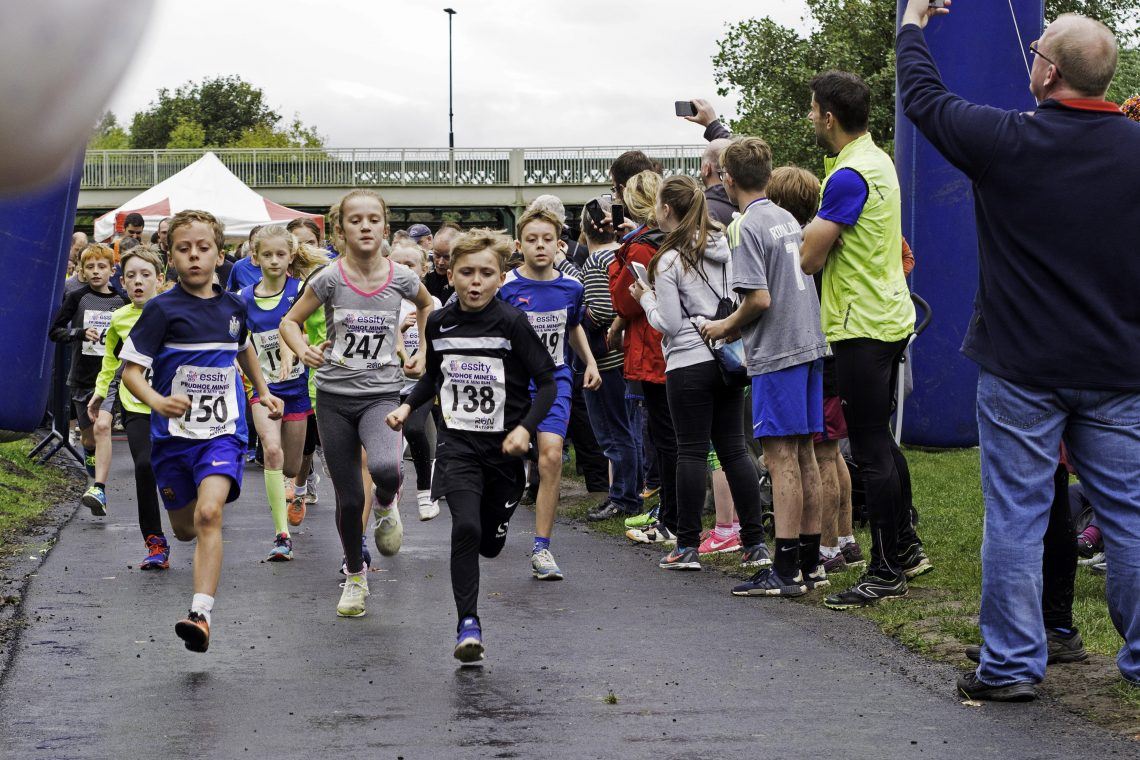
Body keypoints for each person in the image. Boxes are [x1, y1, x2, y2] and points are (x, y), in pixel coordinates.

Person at [898, 1, 1140, 700]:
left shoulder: (1005, 140)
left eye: (1037, 50)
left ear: (1046, 73)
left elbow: (923, 97)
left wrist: (913, 26)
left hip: (1022, 371)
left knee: (1016, 516)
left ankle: (1008, 668)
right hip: (1119, 371)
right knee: (1128, 516)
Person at [386, 228, 556, 665]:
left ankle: (497, 529)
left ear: (501, 277)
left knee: (490, 543)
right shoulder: (441, 322)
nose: (475, 282)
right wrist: (408, 407)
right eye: (466, 272)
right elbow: (434, 376)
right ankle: (468, 624)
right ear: (451, 274)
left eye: (485, 273)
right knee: (464, 529)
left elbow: (547, 383)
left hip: (505, 450)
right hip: (458, 444)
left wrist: (525, 429)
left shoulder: (512, 323)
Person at [120, 209, 283, 653]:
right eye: (184, 249)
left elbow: (245, 349)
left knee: (210, 514)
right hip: (172, 438)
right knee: (187, 528)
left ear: (219, 253)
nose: (194, 256)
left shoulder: (234, 307)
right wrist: (156, 400)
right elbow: (131, 372)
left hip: (222, 431)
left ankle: (200, 613)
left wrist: (262, 392)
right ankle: (187, 537)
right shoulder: (160, 309)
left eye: (203, 248)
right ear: (171, 256)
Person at [797, 70, 927, 610]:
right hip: (886, 317)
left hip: (862, 325)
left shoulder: (849, 176)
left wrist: (810, 236)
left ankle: (886, 569)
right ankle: (905, 549)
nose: (808, 117)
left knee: (871, 450)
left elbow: (809, 257)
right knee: (881, 444)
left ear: (829, 115)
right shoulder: (877, 160)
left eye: (811, 109)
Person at [280, 189, 434, 618]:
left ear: (385, 228)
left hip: (381, 393)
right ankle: (354, 575)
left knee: (386, 468)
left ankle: (387, 502)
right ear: (340, 230)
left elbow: (427, 305)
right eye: (355, 220)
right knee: (348, 500)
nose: (364, 227)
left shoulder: (402, 277)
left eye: (373, 220)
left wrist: (422, 348)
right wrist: (305, 348)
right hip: (333, 399)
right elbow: (288, 322)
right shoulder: (328, 278)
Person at [701, 137, 829, 596]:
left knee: (779, 458)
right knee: (805, 453)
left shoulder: (744, 226)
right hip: (812, 344)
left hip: (778, 353)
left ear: (727, 179)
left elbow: (758, 298)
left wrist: (725, 328)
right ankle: (812, 564)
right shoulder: (786, 218)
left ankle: (786, 568)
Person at [632, 175, 770, 573]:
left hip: (688, 362)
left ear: (667, 211)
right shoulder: (725, 245)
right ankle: (755, 542)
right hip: (727, 358)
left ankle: (687, 545)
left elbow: (669, 324)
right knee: (733, 450)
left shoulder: (670, 260)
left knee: (690, 450)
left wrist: (646, 300)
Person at [767, 165, 866, 573]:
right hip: (835, 351)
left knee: (820, 454)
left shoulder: (804, 244)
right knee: (832, 453)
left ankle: (826, 546)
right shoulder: (825, 236)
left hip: (817, 354)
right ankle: (845, 536)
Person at [499, 206, 601, 581]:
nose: (540, 246)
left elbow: (573, 328)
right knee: (504, 462)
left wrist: (588, 362)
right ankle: (497, 515)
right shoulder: (506, 288)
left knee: (552, 456)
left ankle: (542, 548)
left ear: (559, 245)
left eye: (547, 240)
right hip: (513, 386)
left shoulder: (572, 287)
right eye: (531, 240)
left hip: (554, 381)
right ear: (519, 244)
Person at [238, 225, 326, 561]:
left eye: (280, 254)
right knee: (272, 452)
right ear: (255, 257)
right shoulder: (244, 299)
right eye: (267, 255)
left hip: (299, 389)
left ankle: (298, 490)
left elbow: (306, 328)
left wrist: (297, 349)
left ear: (291, 256)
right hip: (263, 390)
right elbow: (238, 342)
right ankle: (281, 536)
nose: (274, 260)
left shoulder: (301, 291)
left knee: (291, 465)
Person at [607, 162, 680, 547]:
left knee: (664, 436)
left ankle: (671, 517)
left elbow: (623, 299)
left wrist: (620, 257)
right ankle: (673, 512)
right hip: (676, 345)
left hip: (654, 348)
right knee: (674, 435)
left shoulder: (638, 245)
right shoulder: (675, 238)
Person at [88, 247, 170, 568]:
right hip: (135, 404)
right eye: (131, 276)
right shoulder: (120, 318)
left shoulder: (171, 311)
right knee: (144, 466)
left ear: (160, 279)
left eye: (146, 275)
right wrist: (99, 395)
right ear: (122, 282)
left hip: (172, 405)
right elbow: (111, 362)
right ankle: (155, 542)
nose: (138, 282)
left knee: (177, 469)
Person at [579, 196, 643, 522]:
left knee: (613, 434)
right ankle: (633, 491)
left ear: (586, 227)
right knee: (630, 430)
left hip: (603, 361)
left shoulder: (594, 262)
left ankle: (622, 497)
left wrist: (578, 317)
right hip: (625, 357)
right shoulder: (620, 254)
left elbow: (603, 309)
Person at [50, 243, 128, 501]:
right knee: (88, 438)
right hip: (82, 376)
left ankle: (98, 487)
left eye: (102, 267)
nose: (96, 272)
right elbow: (56, 331)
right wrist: (80, 333)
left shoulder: (122, 301)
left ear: (112, 270)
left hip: (110, 378)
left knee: (103, 426)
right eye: (90, 267)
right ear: (82, 270)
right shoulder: (77, 297)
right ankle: (92, 465)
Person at [391, 241, 443, 520]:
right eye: (397, 263)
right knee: (389, 449)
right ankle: (389, 492)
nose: (402, 268)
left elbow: (437, 344)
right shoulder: (386, 302)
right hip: (389, 386)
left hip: (419, 386)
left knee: (413, 430)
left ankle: (425, 490)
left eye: (409, 264)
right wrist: (400, 330)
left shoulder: (433, 303)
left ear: (424, 270)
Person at [284, 217, 327, 509]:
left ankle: (305, 482)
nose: (303, 250)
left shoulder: (333, 274)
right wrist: (296, 351)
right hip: (302, 366)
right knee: (307, 436)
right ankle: (301, 482)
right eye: (296, 244)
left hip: (333, 365)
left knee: (321, 438)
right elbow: (288, 326)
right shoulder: (287, 284)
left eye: (308, 243)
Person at [423, 222, 462, 302]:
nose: (440, 262)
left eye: (447, 257)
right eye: (437, 255)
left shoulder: (464, 277)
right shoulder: (423, 271)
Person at [226, 225, 264, 292]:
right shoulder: (239, 266)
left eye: (261, 242)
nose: (257, 245)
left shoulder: (275, 265)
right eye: (255, 242)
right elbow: (229, 291)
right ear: (249, 243)